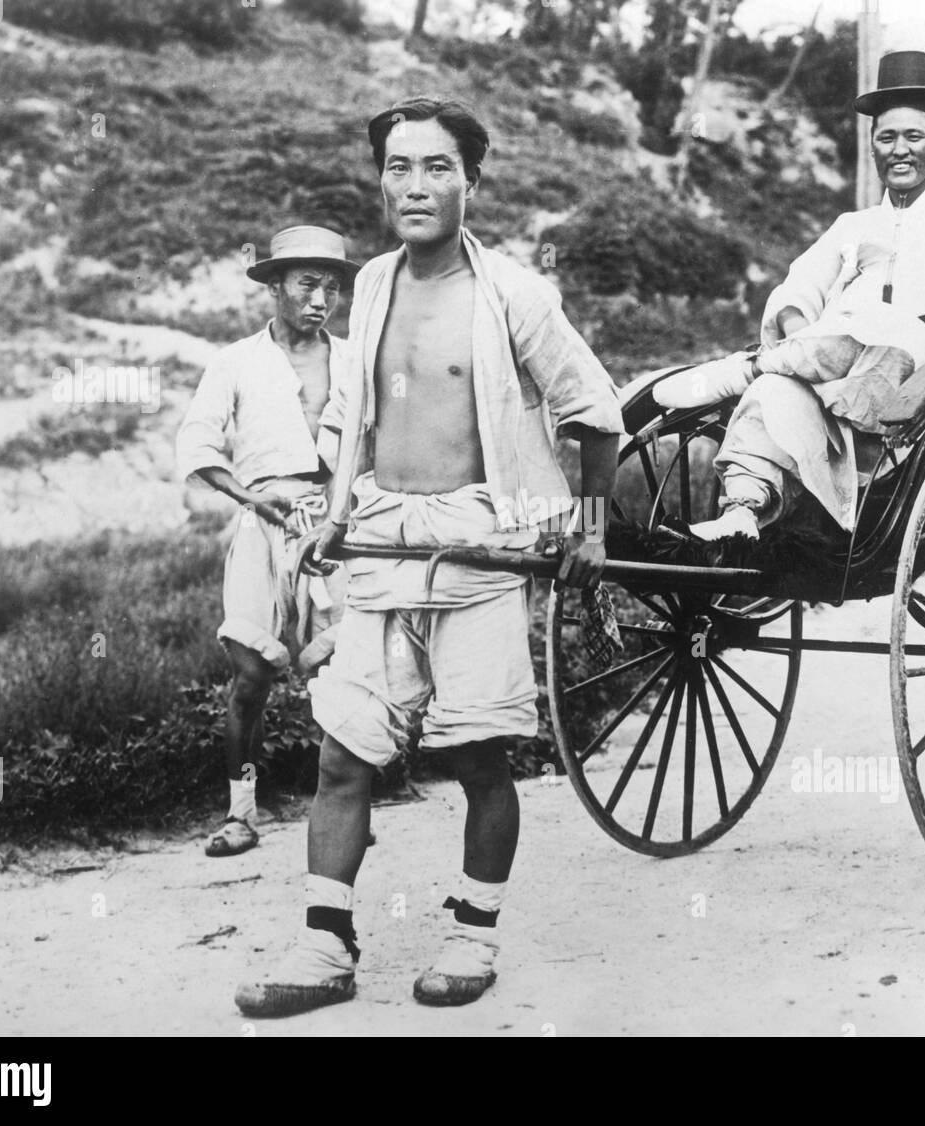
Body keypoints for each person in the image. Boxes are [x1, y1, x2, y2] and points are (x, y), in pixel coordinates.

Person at [233, 97, 624, 1016]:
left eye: (437, 167)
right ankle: (324, 951)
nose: (415, 185)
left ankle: (472, 935)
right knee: (342, 756)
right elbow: (350, 421)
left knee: (478, 758)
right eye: (399, 167)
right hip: (380, 544)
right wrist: (333, 509)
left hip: (482, 546)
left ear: (471, 182)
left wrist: (593, 529)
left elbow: (594, 412)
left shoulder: (517, 297)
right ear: (380, 180)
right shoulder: (367, 286)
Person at [656, 51, 925, 540]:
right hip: (839, 378)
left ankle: (752, 366)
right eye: (886, 137)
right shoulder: (852, 226)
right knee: (778, 390)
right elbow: (798, 288)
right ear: (872, 146)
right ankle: (743, 511)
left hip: (918, 375)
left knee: (881, 328)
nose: (900, 150)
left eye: (914, 136)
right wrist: (798, 326)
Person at [176, 226, 358, 857]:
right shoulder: (235, 362)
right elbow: (197, 445)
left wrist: (347, 510)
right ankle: (241, 814)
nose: (321, 299)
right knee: (251, 676)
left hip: (336, 526)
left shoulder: (354, 359)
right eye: (307, 283)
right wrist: (252, 498)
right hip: (262, 526)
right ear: (275, 284)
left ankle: (342, 811)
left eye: (331, 287)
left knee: (342, 670)